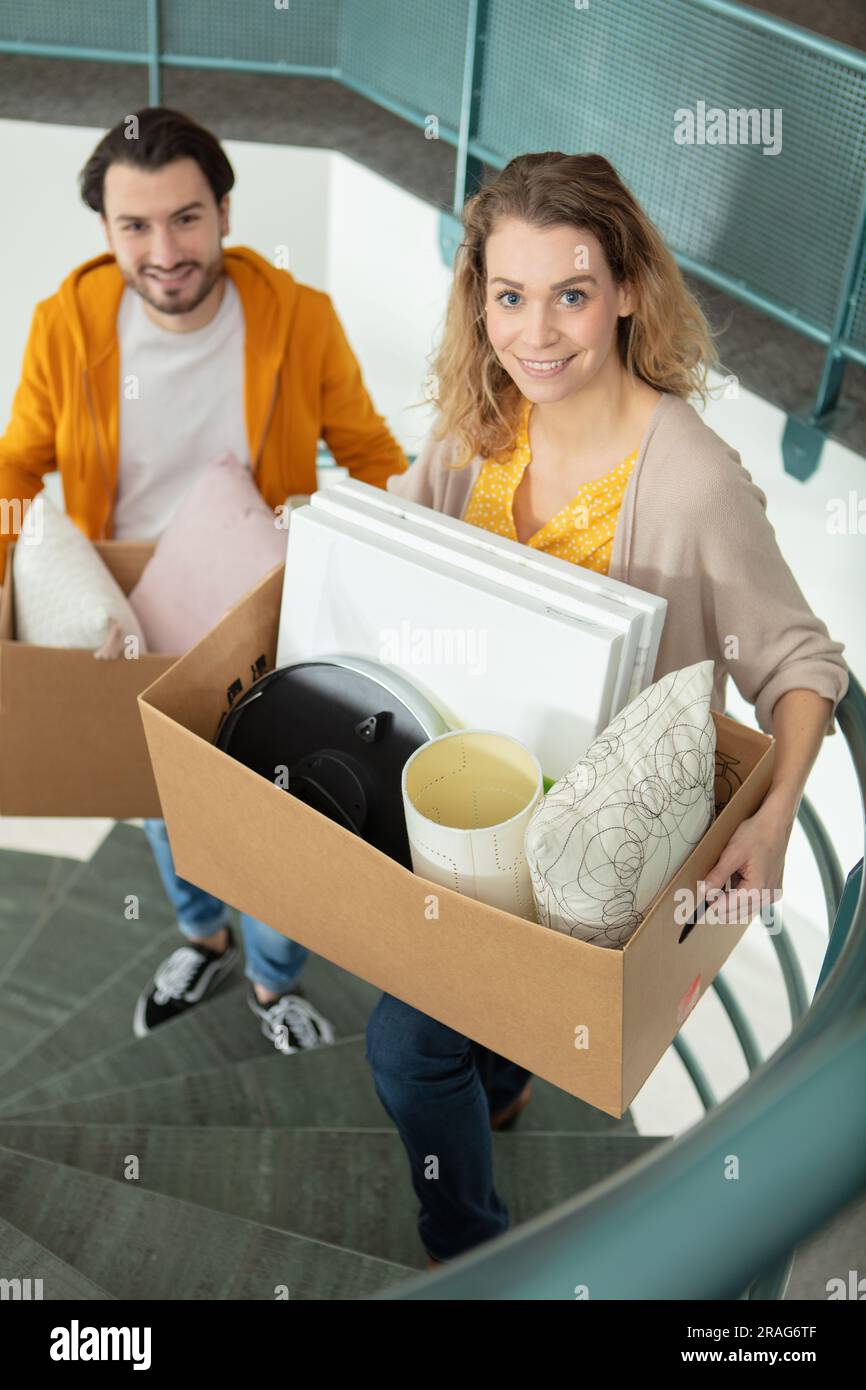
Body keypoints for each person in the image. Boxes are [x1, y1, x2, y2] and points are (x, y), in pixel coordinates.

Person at [364, 151, 850, 1267]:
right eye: (508, 295)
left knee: (401, 1050)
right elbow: (407, 536)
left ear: (626, 288)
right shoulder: (479, 420)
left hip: (588, 851)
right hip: (475, 804)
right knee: (461, 1032)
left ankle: (466, 1249)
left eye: (570, 294)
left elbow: (796, 663)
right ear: (477, 295)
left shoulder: (689, 480)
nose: (535, 334)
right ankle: (504, 1074)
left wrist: (769, 821)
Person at [0, 107, 408, 1049]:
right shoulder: (63, 327)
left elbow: (374, 455)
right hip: (128, 632)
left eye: (185, 218)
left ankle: (271, 981)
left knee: (276, 833)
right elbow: (19, 468)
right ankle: (200, 937)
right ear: (105, 232)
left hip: (261, 625)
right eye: (134, 225)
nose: (164, 250)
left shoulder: (299, 319)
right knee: (158, 813)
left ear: (224, 210)